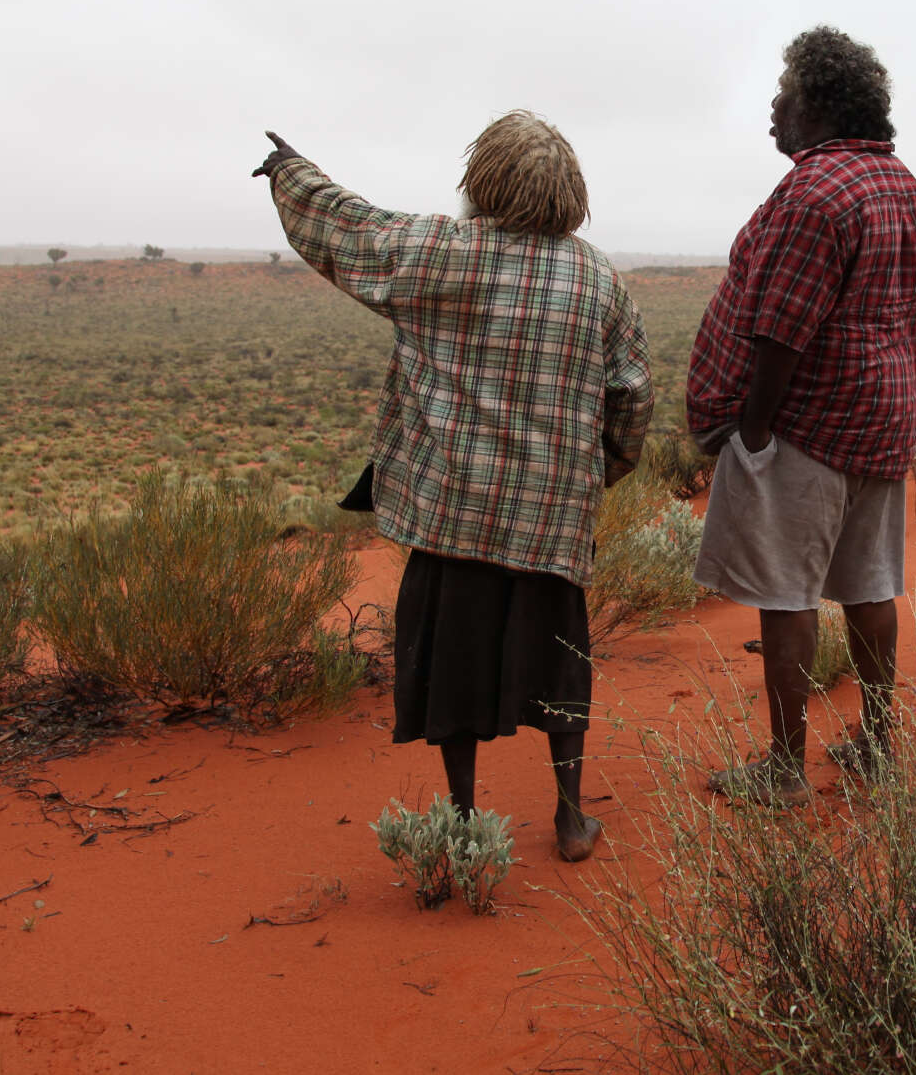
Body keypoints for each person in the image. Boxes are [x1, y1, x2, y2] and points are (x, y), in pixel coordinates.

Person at [254, 114, 654, 861]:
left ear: (487, 180)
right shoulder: (598, 277)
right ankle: (571, 818)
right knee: (562, 663)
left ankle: (466, 823)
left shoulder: (445, 253)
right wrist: (592, 477)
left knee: (452, 667)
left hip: (453, 512)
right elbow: (633, 396)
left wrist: (292, 172)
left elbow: (351, 234)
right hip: (550, 521)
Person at [685, 26, 916, 806]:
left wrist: (756, 428)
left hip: (809, 423)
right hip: (880, 422)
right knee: (869, 582)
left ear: (821, 104)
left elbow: (781, 327)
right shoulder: (904, 184)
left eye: (787, 90)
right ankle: (877, 741)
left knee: (787, 593)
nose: (774, 103)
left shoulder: (815, 191)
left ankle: (786, 769)